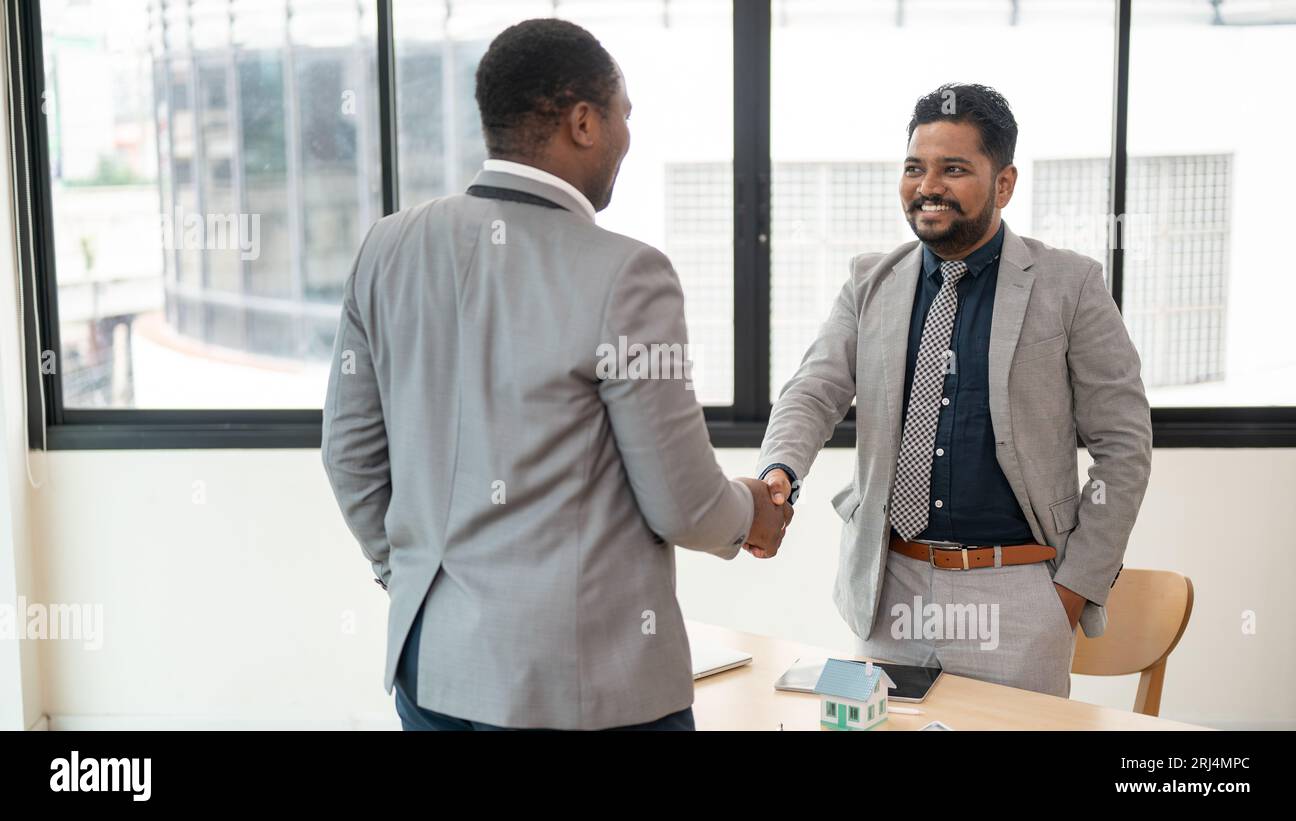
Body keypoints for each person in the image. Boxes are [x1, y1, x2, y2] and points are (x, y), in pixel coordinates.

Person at [321, 18, 791, 731]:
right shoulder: (627, 273)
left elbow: (349, 455)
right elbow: (681, 501)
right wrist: (754, 511)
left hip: (430, 671)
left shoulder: (387, 247)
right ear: (582, 122)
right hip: (580, 691)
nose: (628, 138)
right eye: (622, 115)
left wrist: (413, 576)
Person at [754, 83, 1152, 698]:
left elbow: (1123, 446)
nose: (927, 186)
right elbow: (814, 390)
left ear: (1004, 183)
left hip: (1019, 592)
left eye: (954, 169)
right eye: (915, 167)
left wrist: (1071, 590)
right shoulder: (871, 281)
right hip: (892, 588)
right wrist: (780, 471)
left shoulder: (1070, 285)